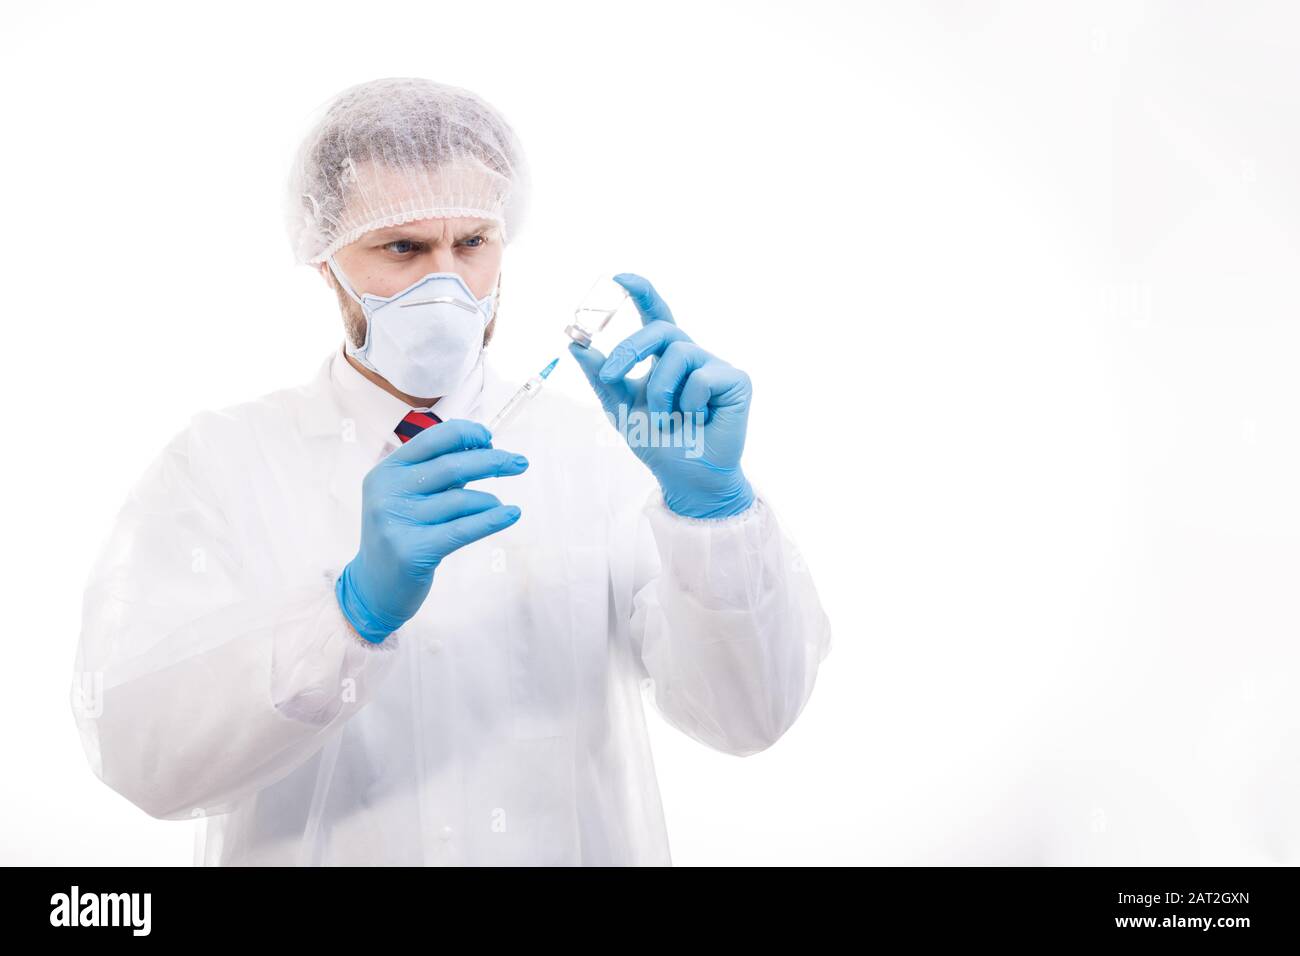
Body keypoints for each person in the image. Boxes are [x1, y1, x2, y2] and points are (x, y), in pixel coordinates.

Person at [70, 77, 832, 866]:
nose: (446, 284)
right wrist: (345, 618)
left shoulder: (605, 457)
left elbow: (750, 718)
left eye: (471, 243)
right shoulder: (223, 465)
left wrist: (713, 519)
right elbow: (141, 756)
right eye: (402, 248)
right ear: (326, 258)